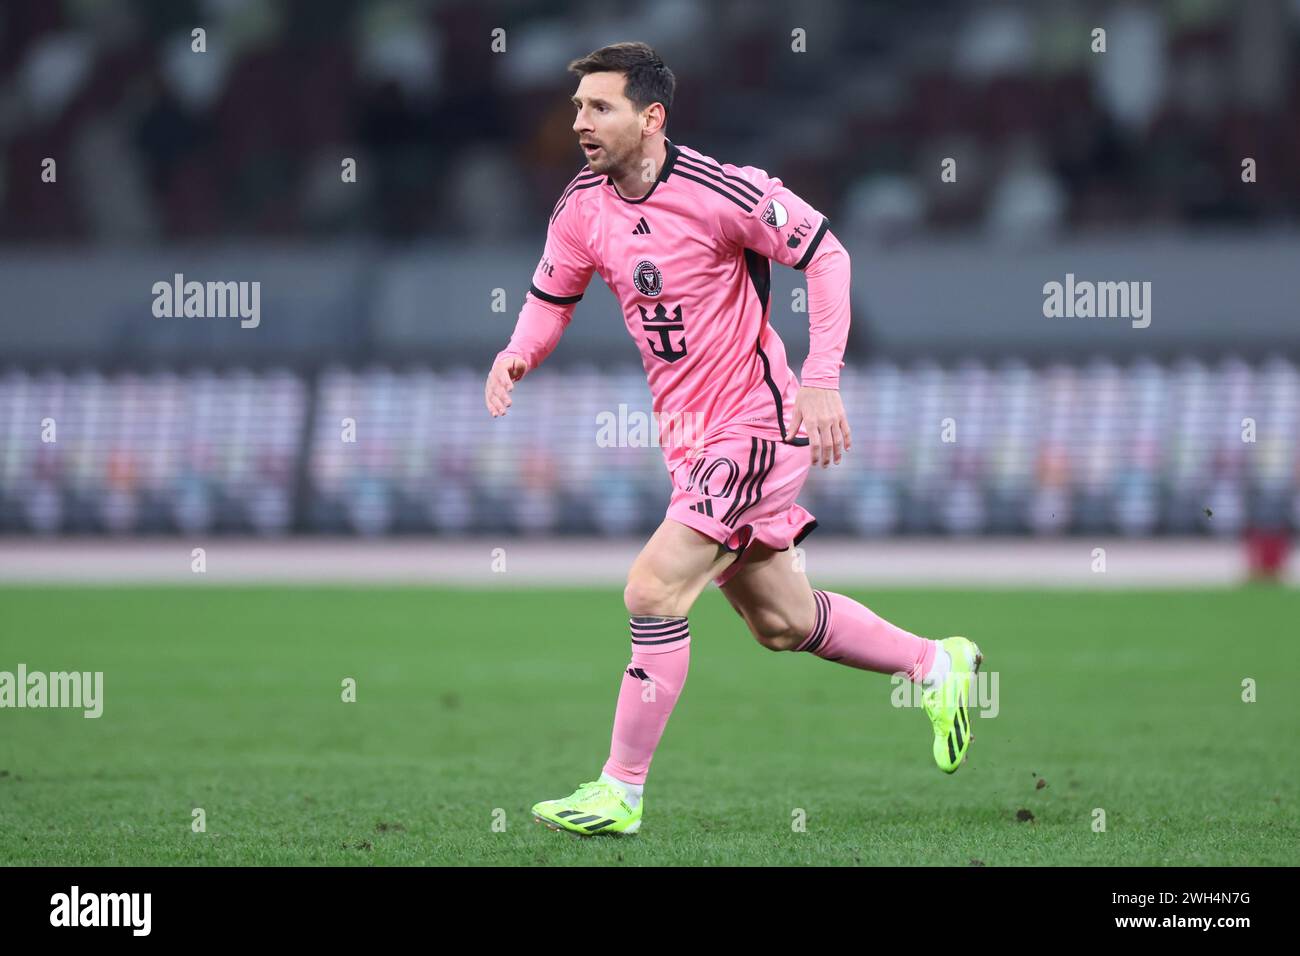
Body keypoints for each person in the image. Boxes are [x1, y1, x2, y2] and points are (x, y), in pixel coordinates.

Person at [485, 42, 982, 837]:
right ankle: (936, 663)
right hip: (689, 439)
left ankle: (620, 791)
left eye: (598, 107)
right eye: (578, 107)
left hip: (755, 427)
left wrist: (821, 378)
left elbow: (827, 254)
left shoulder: (724, 190)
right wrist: (519, 352)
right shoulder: (582, 205)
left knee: (651, 590)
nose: (579, 121)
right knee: (780, 622)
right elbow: (551, 296)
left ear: (651, 119)